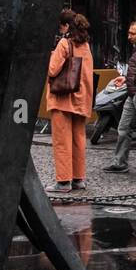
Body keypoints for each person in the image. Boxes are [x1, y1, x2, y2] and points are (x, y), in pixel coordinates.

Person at [45, 13, 95, 194]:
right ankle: (78, 179)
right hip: (81, 98)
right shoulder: (86, 46)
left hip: (63, 98)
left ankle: (63, 181)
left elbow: (52, 70)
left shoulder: (64, 44)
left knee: (62, 141)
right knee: (78, 140)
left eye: (61, 26)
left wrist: (51, 55)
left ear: (66, 26)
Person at [105, 21, 136, 173]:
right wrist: (125, 77)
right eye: (129, 33)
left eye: (132, 33)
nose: (129, 36)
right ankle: (119, 162)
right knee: (123, 127)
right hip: (132, 94)